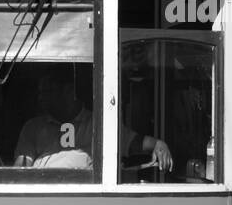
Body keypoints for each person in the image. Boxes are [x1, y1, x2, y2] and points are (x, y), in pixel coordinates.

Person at [14, 70, 173, 171]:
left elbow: (133, 142)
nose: (41, 98)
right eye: (40, 93)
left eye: (48, 92)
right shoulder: (33, 127)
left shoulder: (97, 125)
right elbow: (21, 169)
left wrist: (158, 144)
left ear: (69, 91)